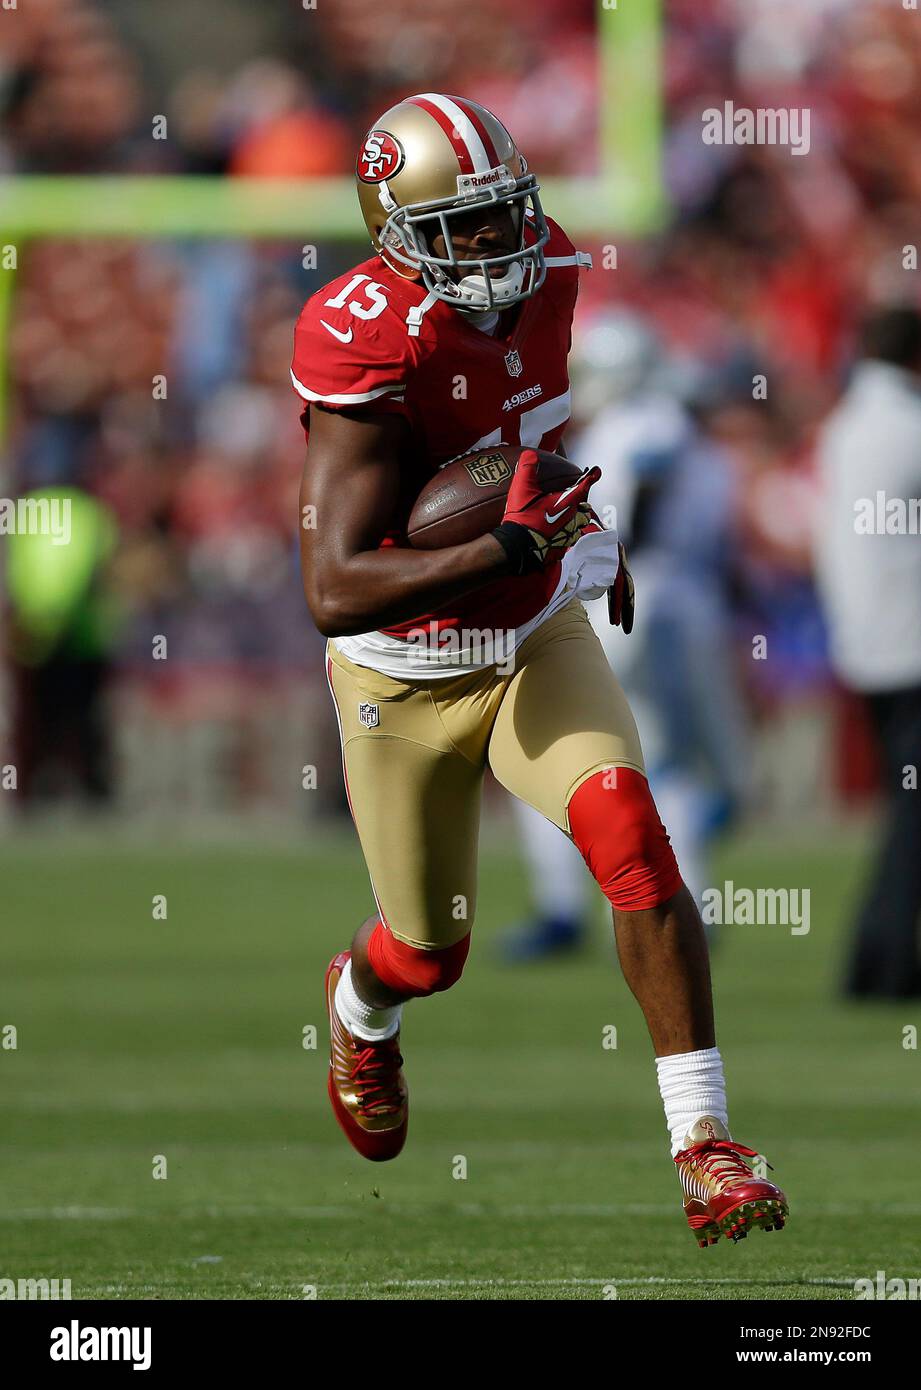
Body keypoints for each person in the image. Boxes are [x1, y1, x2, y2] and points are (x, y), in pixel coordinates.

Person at [291, 93, 787, 1245]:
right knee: (428, 950)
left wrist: (570, 535)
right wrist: (502, 543)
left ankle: (705, 1143)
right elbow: (334, 584)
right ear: (395, 234)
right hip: (401, 671)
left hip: (529, 632)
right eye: (463, 227)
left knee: (631, 831)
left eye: (505, 212)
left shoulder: (551, 270)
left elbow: (525, 443)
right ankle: (361, 1008)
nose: (502, 243)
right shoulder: (369, 336)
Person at [501, 316, 750, 960]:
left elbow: (632, 512)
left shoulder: (641, 429)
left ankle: (566, 909)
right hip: (688, 599)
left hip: (632, 597)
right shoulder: (692, 434)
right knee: (665, 757)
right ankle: (691, 892)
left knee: (553, 747)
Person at [815, 306, 921, 999]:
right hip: (910, 643)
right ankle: (880, 964)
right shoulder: (907, 427)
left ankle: (874, 961)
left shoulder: (843, 426)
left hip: (862, 643)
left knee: (903, 805)